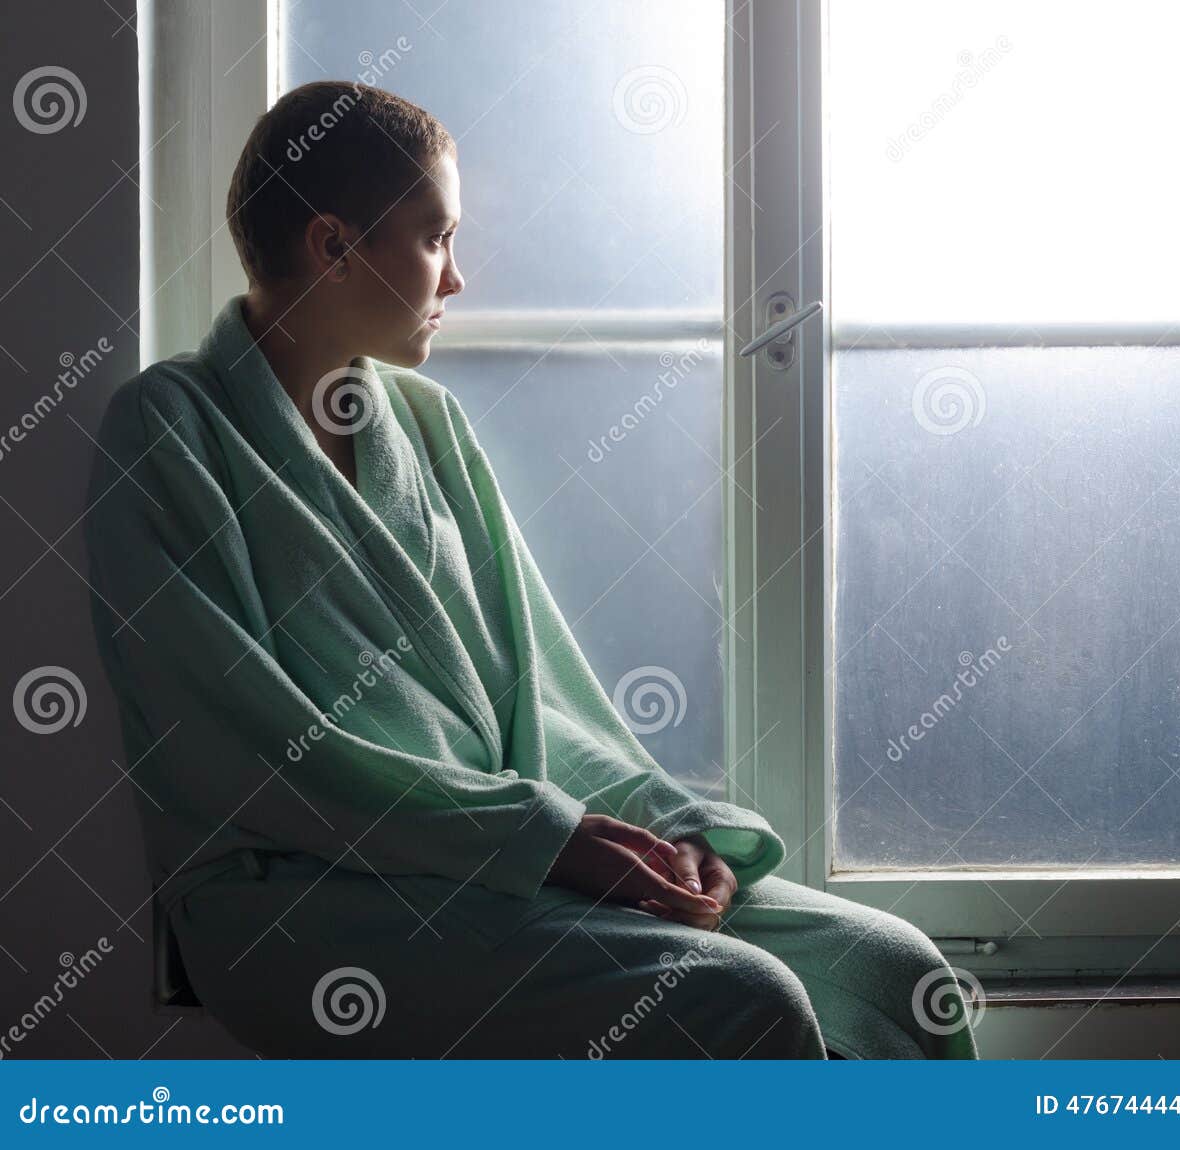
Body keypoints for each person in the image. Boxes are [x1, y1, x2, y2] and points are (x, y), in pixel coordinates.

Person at [84, 80, 979, 1059]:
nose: (456, 279)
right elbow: (253, 749)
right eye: (436, 237)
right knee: (738, 998)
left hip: (501, 855)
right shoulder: (166, 430)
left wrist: (673, 833)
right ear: (333, 244)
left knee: (897, 973)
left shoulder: (429, 427)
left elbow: (541, 701)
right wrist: (548, 840)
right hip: (302, 895)